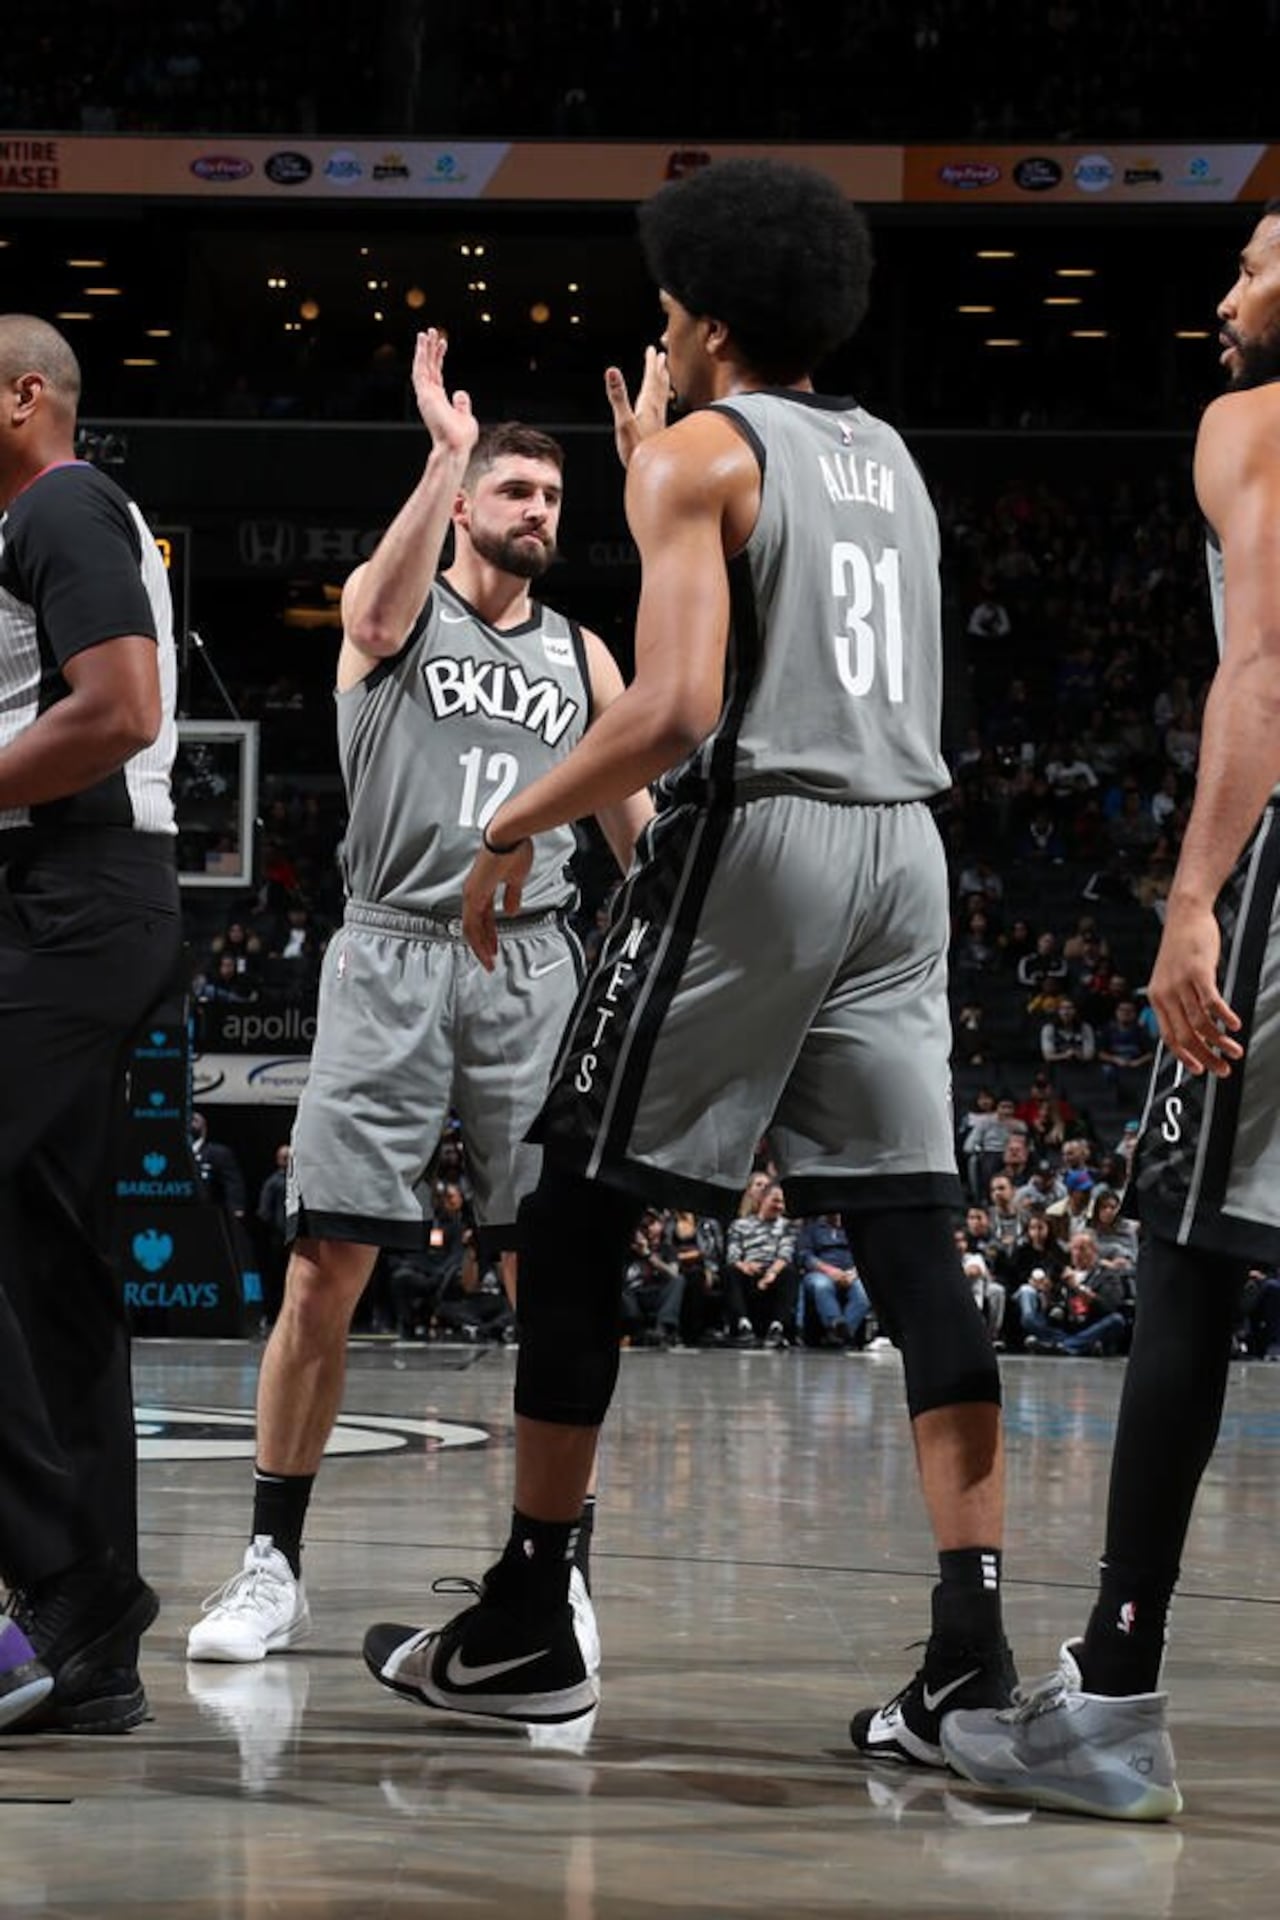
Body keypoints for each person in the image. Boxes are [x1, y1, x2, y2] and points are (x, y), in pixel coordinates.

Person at [362, 159, 1013, 1755]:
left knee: (575, 1199)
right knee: (918, 1234)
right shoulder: (891, 457)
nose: (658, 330)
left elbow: (676, 711)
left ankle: (529, 1615)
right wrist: (675, 475)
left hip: (768, 839)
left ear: (711, 320)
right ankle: (973, 1654)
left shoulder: (700, 456)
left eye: (666, 311)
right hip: (906, 854)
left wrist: (514, 823)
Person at [186, 330, 652, 1667]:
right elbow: (374, 618)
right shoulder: (397, 617)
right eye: (517, 493)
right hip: (390, 950)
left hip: (534, 968)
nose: (542, 515)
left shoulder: (586, 656)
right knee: (325, 1265)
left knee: (546, 1276)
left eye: (556, 500)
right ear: (464, 506)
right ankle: (272, 1563)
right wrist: (441, 450)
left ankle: (551, 1572)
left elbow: (642, 838)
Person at [944, 202, 1280, 1820]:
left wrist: (1196, 894)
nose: (1225, 297)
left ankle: (1116, 1693)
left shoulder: (1254, 421)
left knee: (1192, 1253)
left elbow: (1265, 667)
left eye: (1255, 267)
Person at [0, 313, 180, 1732]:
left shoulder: (58, 503)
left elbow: (119, 709)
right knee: (51, 1272)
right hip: (80, 898)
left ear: (23, 398)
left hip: (72, 892)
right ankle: (95, 1654)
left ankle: (61, 1575)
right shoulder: (63, 517)